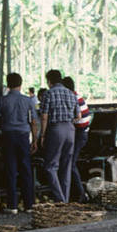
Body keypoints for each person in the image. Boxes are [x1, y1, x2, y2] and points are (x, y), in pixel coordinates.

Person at [0, 72, 38, 214]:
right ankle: (29, 205)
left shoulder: (2, 100)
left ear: (8, 84)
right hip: (24, 136)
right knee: (26, 169)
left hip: (8, 137)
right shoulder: (28, 101)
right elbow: (33, 122)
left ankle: (12, 205)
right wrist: (35, 140)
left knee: (11, 170)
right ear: (21, 84)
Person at [38, 68, 78, 203]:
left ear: (49, 81)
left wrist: (42, 136)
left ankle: (60, 199)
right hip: (70, 130)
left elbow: (44, 117)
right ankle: (65, 199)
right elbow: (78, 116)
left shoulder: (48, 94)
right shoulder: (71, 94)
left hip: (56, 130)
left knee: (50, 166)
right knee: (66, 166)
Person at [63, 76, 92, 202]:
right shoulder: (76, 95)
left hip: (80, 134)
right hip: (82, 133)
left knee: (71, 164)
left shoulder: (72, 98)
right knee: (69, 163)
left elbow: (76, 117)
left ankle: (80, 194)